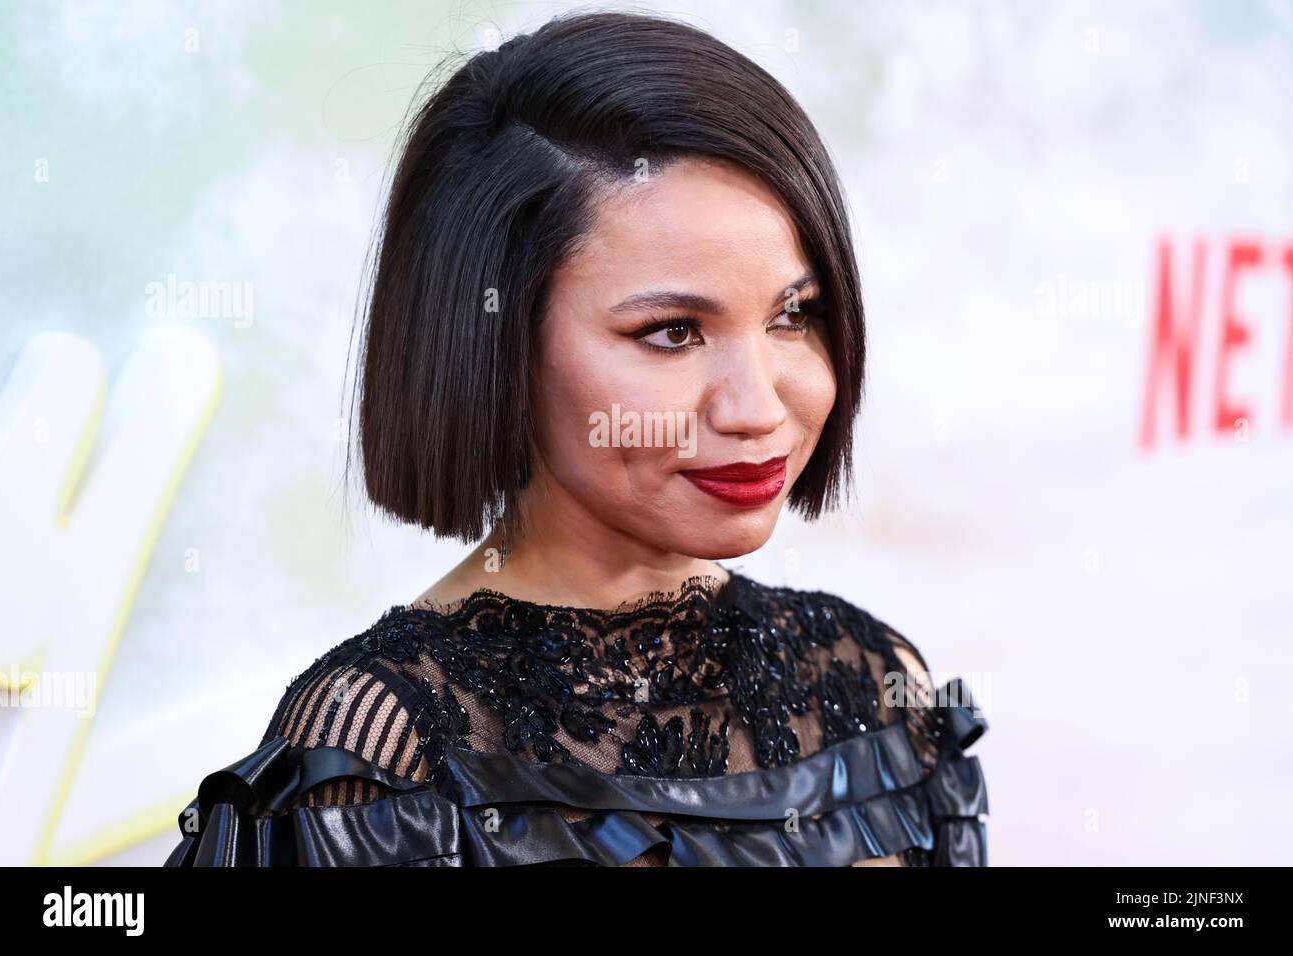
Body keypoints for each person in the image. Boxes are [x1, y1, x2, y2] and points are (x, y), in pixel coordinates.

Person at [165, 10, 988, 868]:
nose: (756, 408)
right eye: (671, 332)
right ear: (495, 342)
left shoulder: (872, 683)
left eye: (793, 315)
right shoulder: (383, 752)